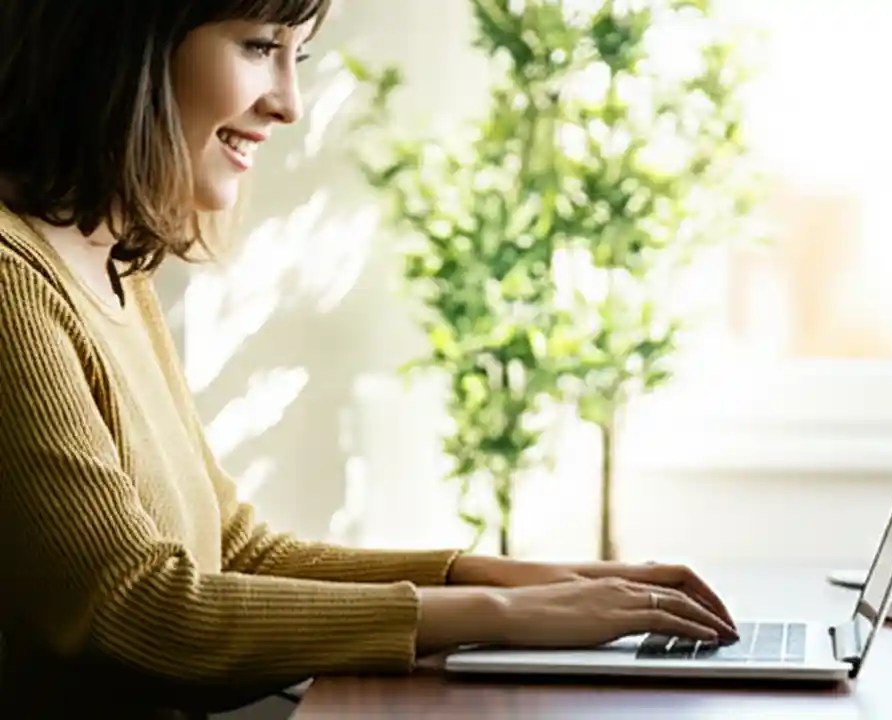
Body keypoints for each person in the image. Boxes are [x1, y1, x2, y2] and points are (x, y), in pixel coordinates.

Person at [0, 1, 738, 717]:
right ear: (128, 40)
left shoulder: (110, 266)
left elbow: (233, 551)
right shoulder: (13, 283)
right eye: (260, 47)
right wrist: (500, 612)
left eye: (300, 56)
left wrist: (511, 578)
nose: (289, 104)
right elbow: (135, 610)